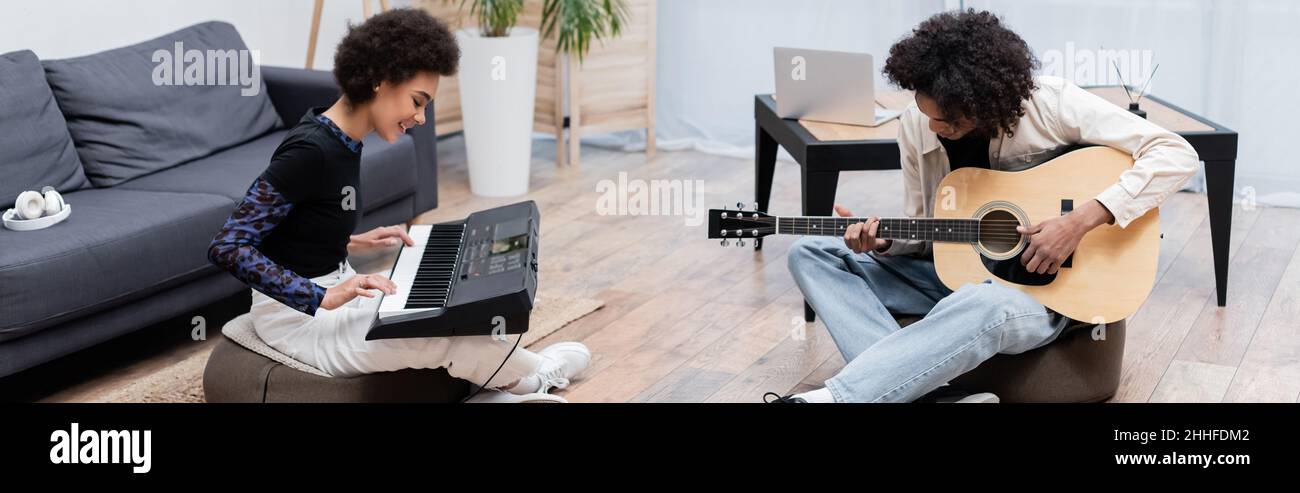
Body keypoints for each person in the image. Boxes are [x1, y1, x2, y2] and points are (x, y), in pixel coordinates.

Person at [766, 9, 1198, 403]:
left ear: (990, 103)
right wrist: (884, 243)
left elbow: (1175, 153)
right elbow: (926, 232)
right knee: (811, 252)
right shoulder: (916, 126)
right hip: (953, 280)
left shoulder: (1049, 104)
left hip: (1043, 299)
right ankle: (929, 396)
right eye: (927, 112)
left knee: (983, 302)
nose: (936, 128)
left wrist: (1080, 221)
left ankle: (837, 399)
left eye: (952, 121)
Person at [208, 9, 589, 403]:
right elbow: (228, 245)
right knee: (443, 334)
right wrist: (319, 296)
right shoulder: (311, 151)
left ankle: (498, 388)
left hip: (336, 290)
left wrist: (350, 239)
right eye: (417, 101)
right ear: (379, 81)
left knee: (458, 307)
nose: (421, 118)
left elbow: (294, 222)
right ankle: (533, 378)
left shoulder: (341, 137)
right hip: (301, 320)